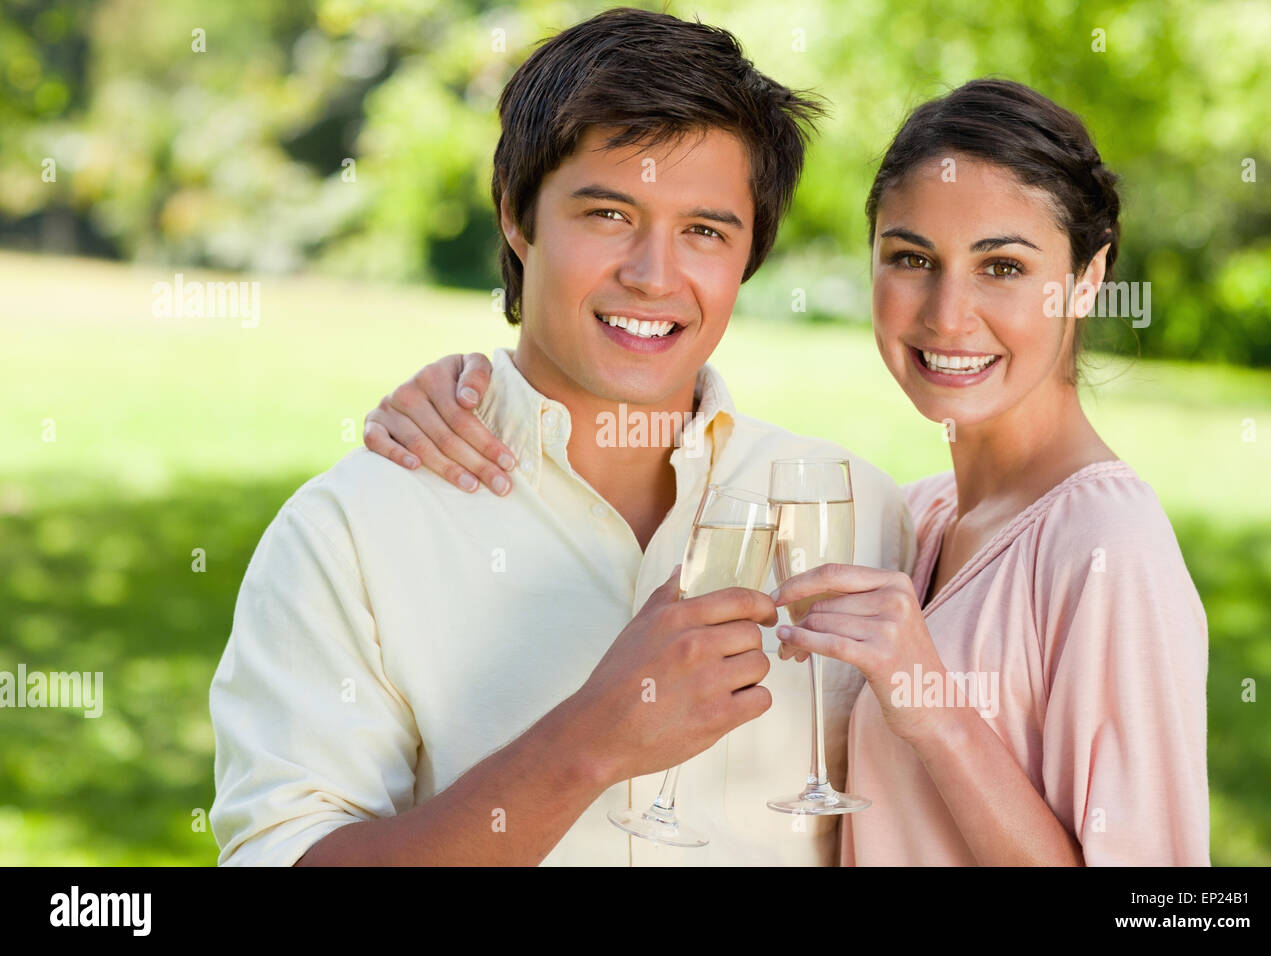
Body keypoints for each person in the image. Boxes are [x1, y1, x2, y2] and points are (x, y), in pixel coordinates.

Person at [365, 79, 1211, 865]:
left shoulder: (1106, 545)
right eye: (912, 258)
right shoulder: (909, 522)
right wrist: (482, 391)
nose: (948, 314)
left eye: (1004, 267)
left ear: (1088, 278)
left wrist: (937, 716)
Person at [209, 7, 914, 867]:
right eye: (609, 214)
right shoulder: (351, 532)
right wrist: (589, 744)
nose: (653, 276)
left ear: (750, 255)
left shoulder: (862, 515)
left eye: (703, 231)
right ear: (517, 215)